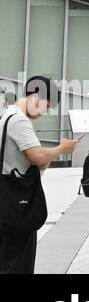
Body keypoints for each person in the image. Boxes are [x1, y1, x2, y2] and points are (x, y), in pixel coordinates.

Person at [1, 76, 78, 273]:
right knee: (17, 262)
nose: (45, 111)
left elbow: (39, 160)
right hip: (17, 204)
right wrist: (62, 148)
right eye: (47, 105)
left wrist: (50, 154)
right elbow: (36, 156)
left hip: (8, 201)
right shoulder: (18, 120)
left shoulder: (8, 115)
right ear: (36, 96)